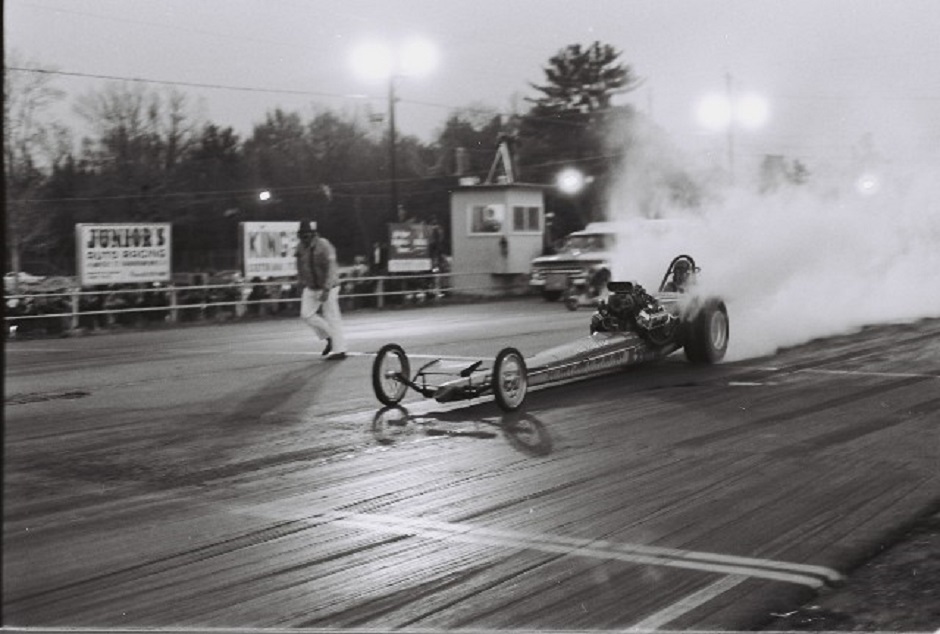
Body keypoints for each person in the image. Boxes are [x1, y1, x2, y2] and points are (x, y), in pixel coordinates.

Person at [296, 220, 347, 360]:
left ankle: (340, 350)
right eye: (302, 236)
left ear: (313, 235)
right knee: (306, 315)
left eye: (307, 235)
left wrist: (326, 289)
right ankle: (329, 336)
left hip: (329, 286)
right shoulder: (300, 247)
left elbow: (331, 268)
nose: (304, 238)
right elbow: (300, 264)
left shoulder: (324, 245)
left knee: (331, 316)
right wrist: (300, 281)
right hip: (312, 287)